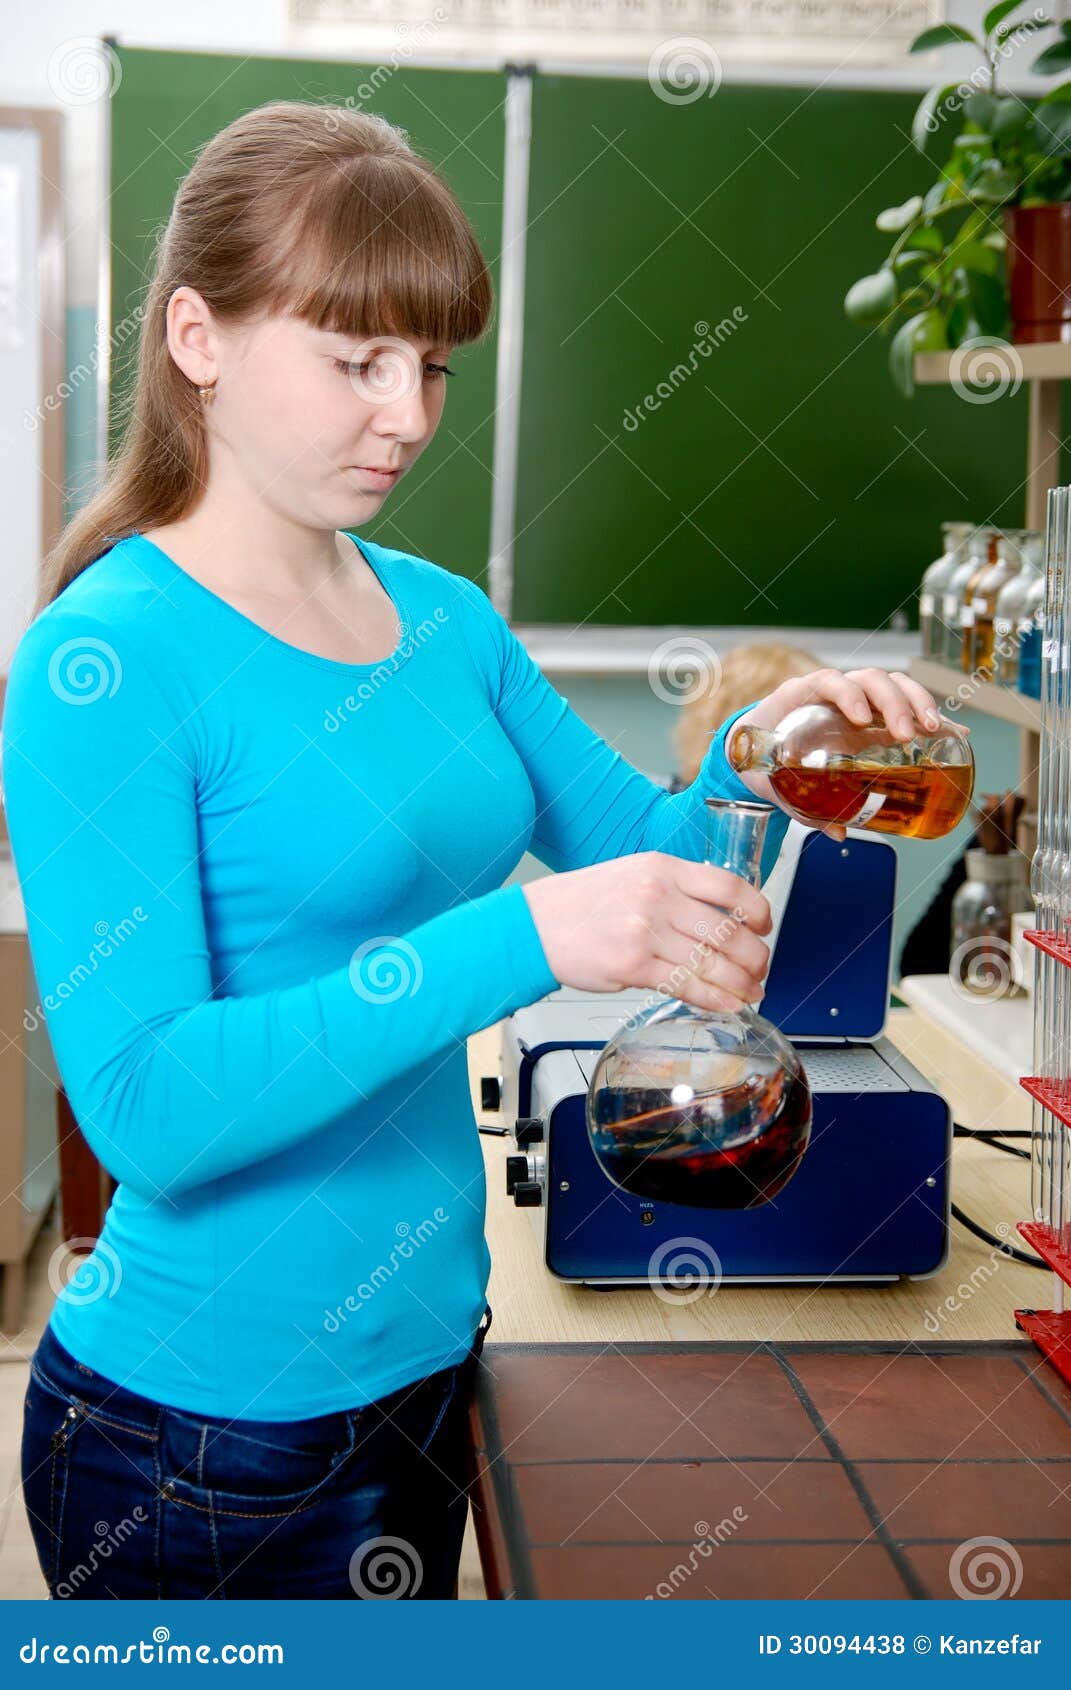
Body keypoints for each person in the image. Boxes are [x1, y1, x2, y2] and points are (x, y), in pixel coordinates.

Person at [1, 100, 945, 1600]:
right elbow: (149, 1112)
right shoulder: (100, 661)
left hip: (434, 1366)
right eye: (357, 359)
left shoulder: (444, 618)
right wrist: (529, 937)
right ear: (198, 337)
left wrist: (768, 745)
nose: (410, 415)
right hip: (201, 1441)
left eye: (432, 365)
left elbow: (658, 852)